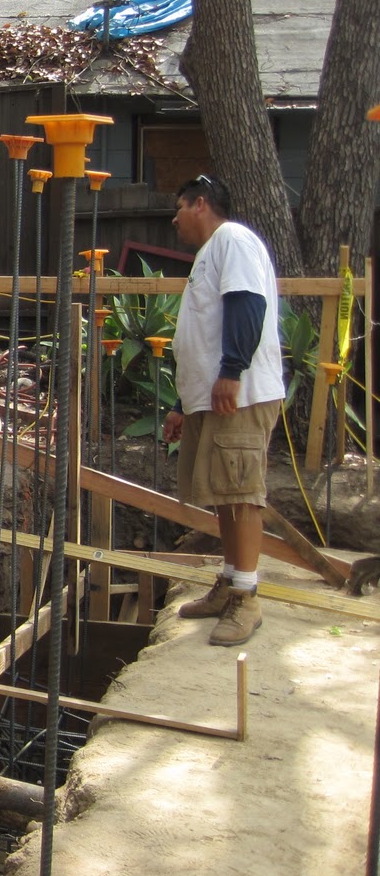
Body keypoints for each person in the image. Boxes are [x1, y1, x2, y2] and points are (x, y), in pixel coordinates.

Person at [161, 174, 284, 646]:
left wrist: (233, 370)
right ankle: (231, 583)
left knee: (242, 491)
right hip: (215, 396)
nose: (173, 219)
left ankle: (247, 597)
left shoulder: (232, 239)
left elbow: (247, 305)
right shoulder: (210, 254)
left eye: (179, 206)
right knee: (228, 494)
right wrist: (181, 404)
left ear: (200, 203)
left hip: (242, 392)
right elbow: (202, 337)